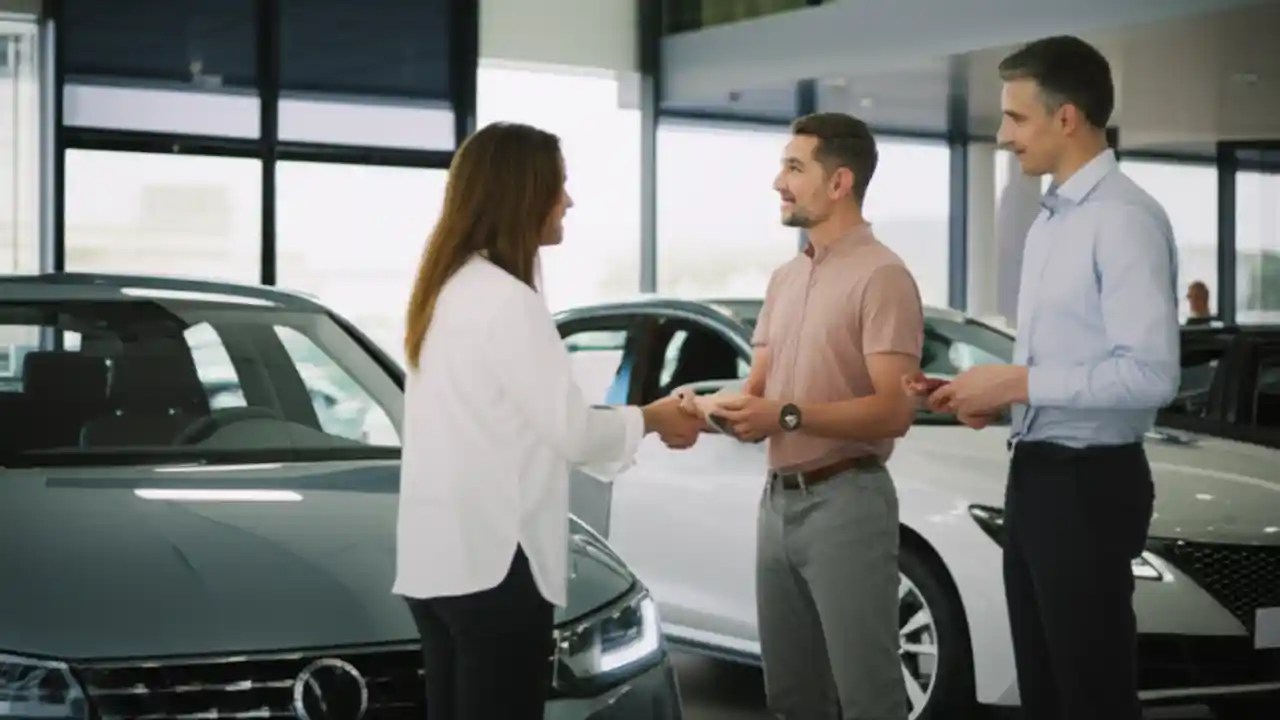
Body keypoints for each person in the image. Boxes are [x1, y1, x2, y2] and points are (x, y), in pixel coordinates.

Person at [392, 121, 703, 720]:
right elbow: (573, 433)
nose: (569, 201)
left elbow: (526, 423)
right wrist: (656, 418)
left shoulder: (447, 291)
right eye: (559, 185)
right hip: (495, 566)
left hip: (438, 562)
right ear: (522, 193)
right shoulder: (508, 302)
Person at [910, 35, 1180, 720]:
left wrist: (1017, 385)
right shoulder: (1052, 222)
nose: (1003, 137)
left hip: (1089, 484)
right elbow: (1064, 368)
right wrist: (985, 399)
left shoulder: (1122, 219)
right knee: (1045, 696)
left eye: (1016, 118)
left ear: (1067, 118)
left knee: (1090, 698)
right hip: (1035, 474)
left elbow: (1150, 375)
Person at [682, 112, 922, 720]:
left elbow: (894, 410)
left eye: (794, 167)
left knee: (869, 698)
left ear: (839, 182)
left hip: (847, 502)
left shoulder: (883, 275)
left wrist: (783, 415)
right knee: (792, 698)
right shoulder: (784, 280)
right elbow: (760, 388)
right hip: (775, 505)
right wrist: (708, 409)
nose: (777, 182)